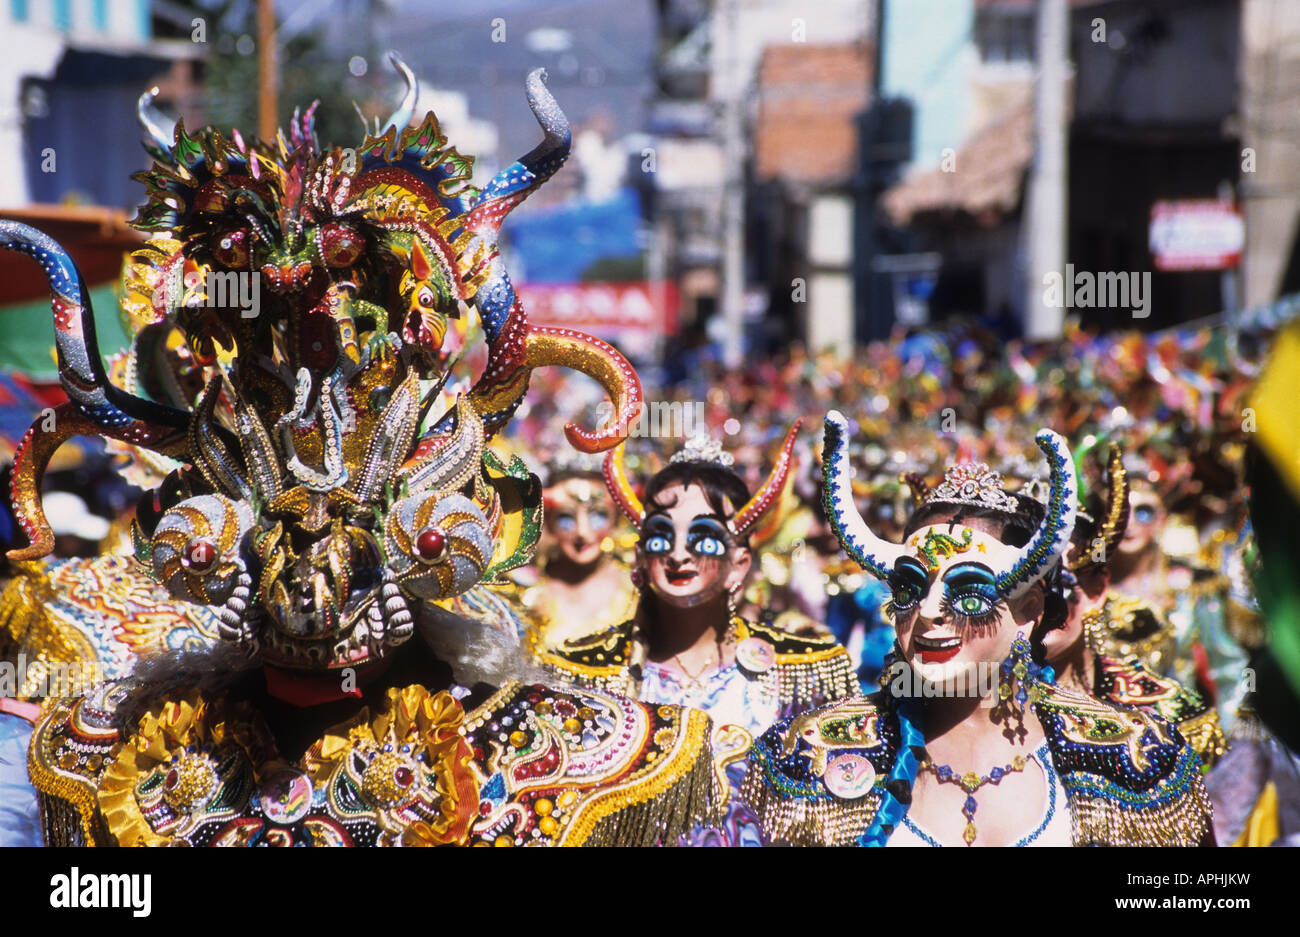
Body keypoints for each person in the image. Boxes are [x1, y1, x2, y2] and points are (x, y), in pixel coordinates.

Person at [4, 60, 720, 847]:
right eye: (278, 537)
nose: (306, 582)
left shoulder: (556, 755)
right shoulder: (125, 751)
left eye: (341, 537)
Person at [741, 412, 1214, 846]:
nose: (928, 612)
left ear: (1028, 613)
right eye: (909, 590)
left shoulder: (1133, 757)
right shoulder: (807, 755)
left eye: (967, 595)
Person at [538, 425, 856, 739]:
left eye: (703, 540)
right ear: (640, 558)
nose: (678, 554)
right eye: (661, 536)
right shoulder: (579, 672)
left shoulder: (804, 669)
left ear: (739, 564)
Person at [1038, 442, 1226, 770]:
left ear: (1162, 517)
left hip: (1184, 731)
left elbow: (1226, 670)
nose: (1131, 523)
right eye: (1121, 509)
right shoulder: (1080, 589)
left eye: (1144, 512)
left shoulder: (1196, 585)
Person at [505, 453, 639, 655]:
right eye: (566, 517)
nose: (582, 533)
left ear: (616, 517)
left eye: (598, 515)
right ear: (548, 520)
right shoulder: (522, 590)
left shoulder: (637, 589)